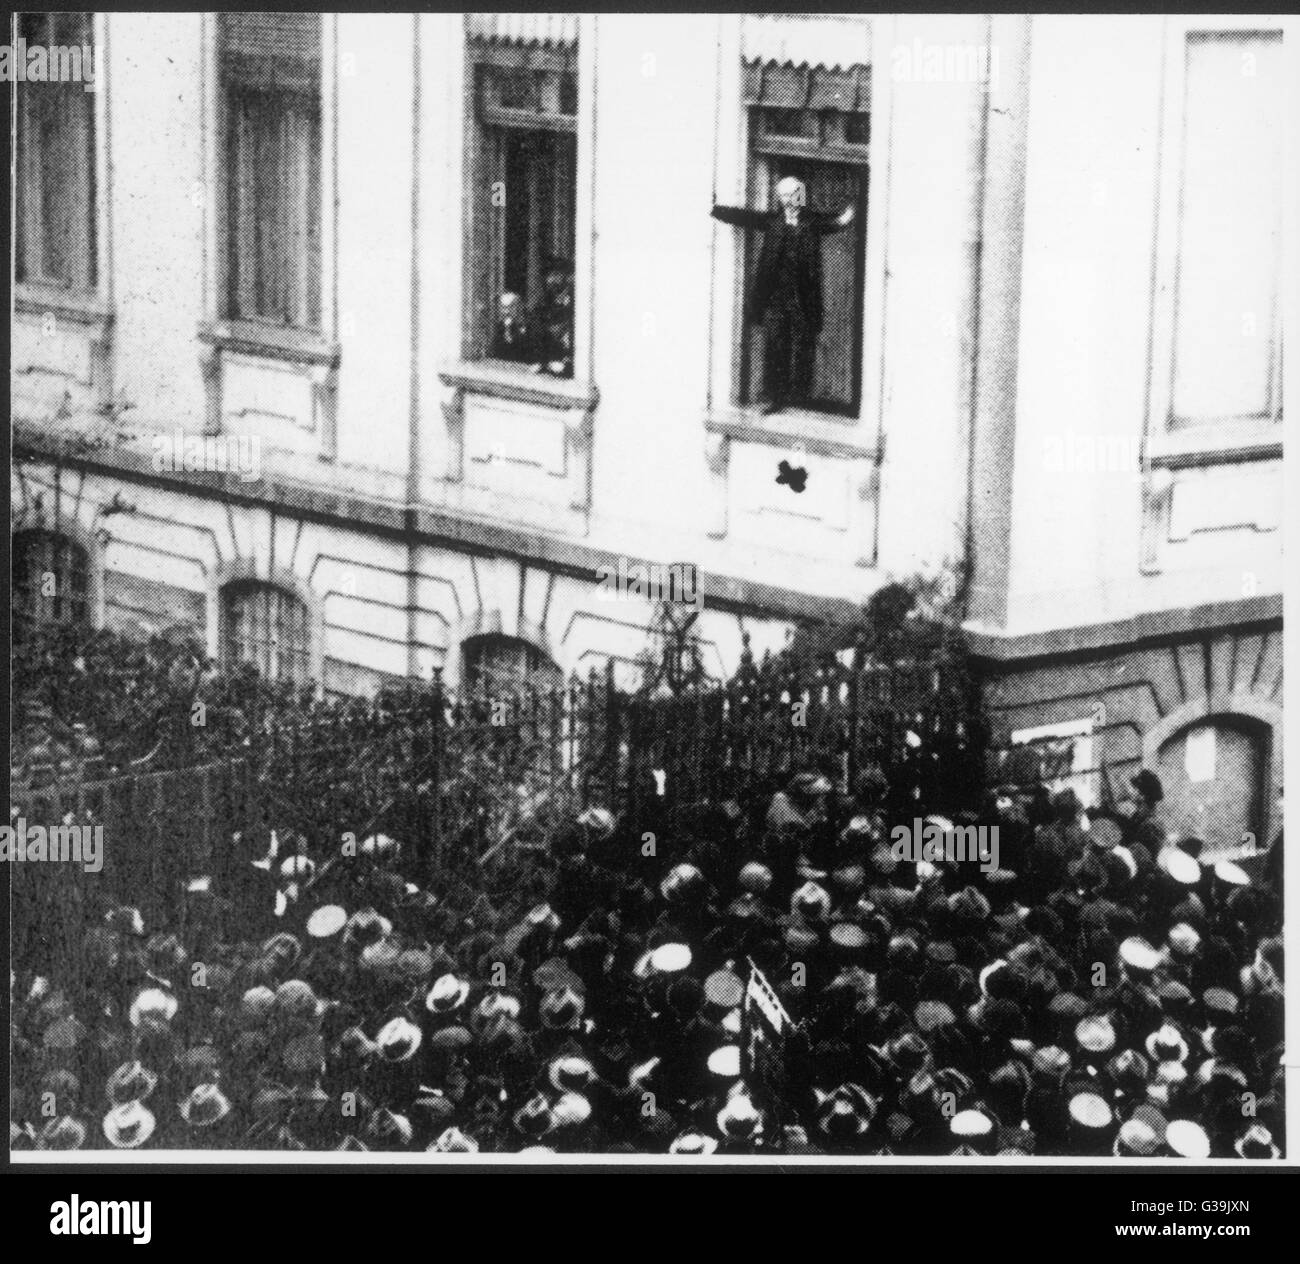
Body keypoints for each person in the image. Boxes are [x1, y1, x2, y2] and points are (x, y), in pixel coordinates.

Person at [711, 176, 855, 414]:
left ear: (801, 196)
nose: (790, 200)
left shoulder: (812, 222)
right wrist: (716, 210)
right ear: (779, 198)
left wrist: (859, 203)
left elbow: (838, 221)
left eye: (794, 195)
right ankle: (776, 397)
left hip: (802, 298)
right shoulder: (773, 221)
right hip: (775, 300)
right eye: (785, 195)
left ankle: (801, 396)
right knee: (775, 346)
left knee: (802, 345)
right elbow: (746, 217)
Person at [490, 292, 534, 363]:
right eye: (503, 307)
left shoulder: (523, 326)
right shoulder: (498, 326)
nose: (506, 311)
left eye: (510, 307)